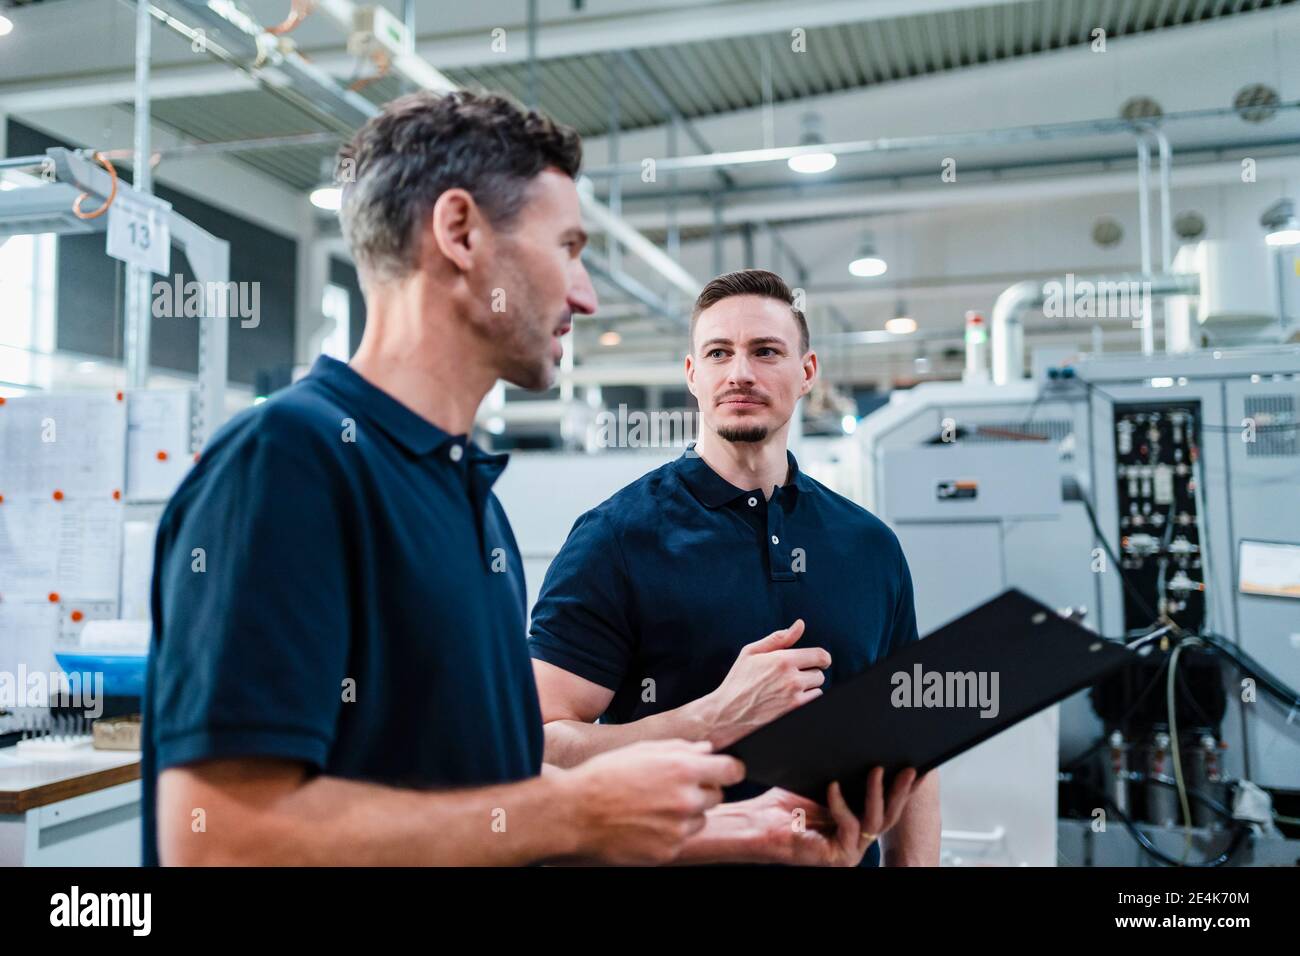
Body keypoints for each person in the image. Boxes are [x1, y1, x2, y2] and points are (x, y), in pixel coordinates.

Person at [144, 92, 891, 866]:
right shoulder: (292, 463)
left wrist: (729, 836)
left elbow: (483, 810)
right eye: (567, 247)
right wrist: (577, 809)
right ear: (460, 232)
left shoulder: (464, 496)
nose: (585, 293)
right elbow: (220, 843)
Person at [529, 269, 940, 866]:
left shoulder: (870, 546)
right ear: (693, 375)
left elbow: (911, 744)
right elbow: (536, 745)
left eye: (766, 351)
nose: (740, 372)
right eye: (719, 353)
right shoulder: (615, 539)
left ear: (807, 373)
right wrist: (710, 719)